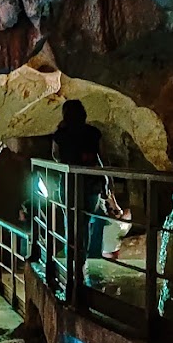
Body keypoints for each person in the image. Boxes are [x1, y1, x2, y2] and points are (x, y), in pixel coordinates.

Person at [50, 100, 126, 261]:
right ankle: (82, 258)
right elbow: (103, 158)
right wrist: (108, 181)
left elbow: (55, 156)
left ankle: (72, 258)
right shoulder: (93, 133)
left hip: (69, 182)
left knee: (71, 222)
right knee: (85, 222)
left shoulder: (60, 134)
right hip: (91, 183)